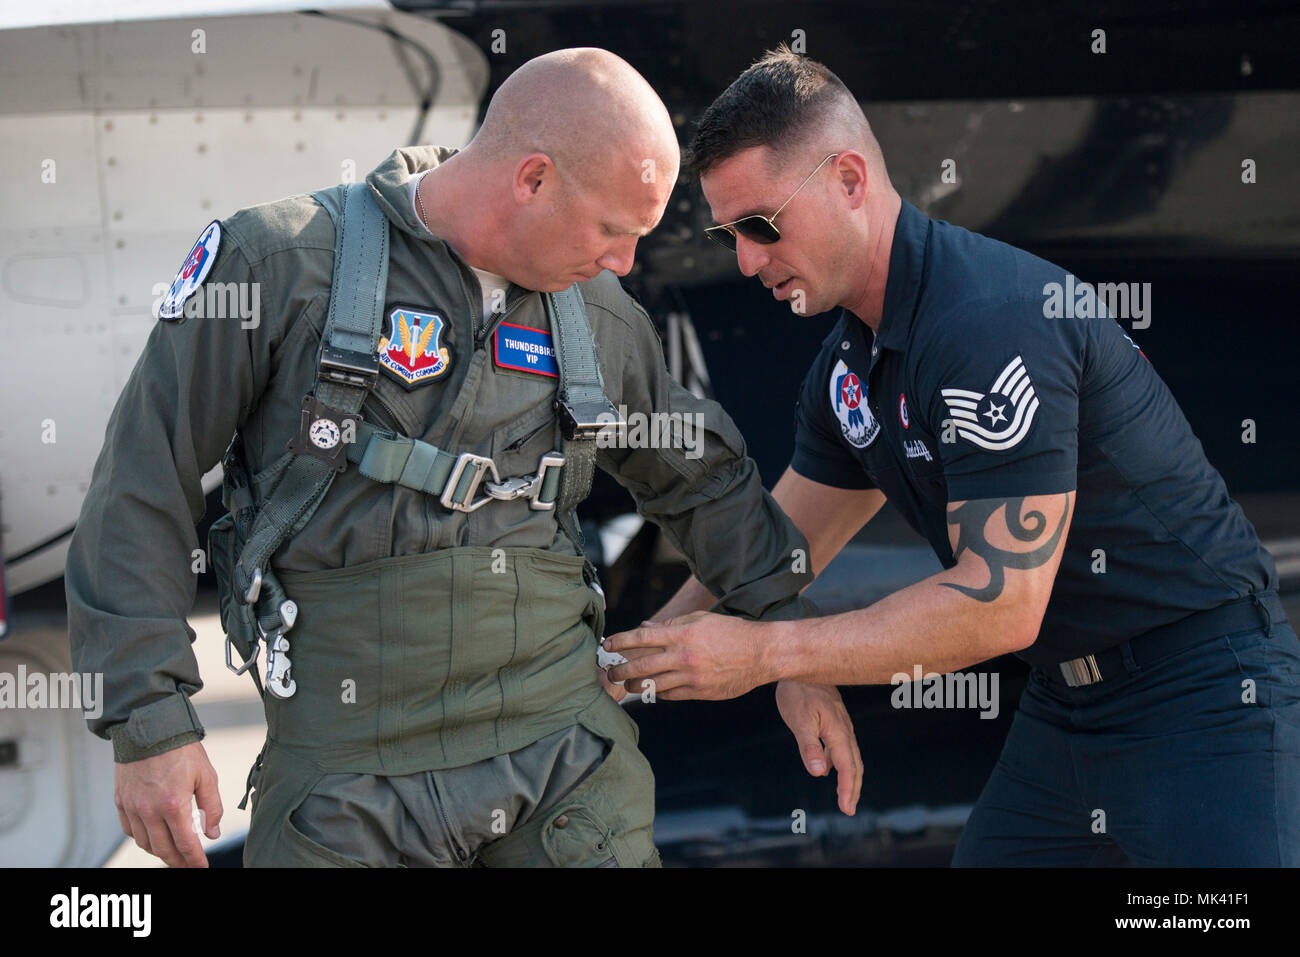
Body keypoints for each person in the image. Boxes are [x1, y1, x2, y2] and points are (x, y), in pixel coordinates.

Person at [65, 47, 848, 868]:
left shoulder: (596, 314)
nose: (624, 262)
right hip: (347, 781)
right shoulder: (279, 265)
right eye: (614, 230)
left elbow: (703, 482)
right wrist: (148, 720)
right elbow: (138, 484)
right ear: (534, 179)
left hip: (562, 763)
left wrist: (790, 642)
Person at [605, 47, 1300, 866]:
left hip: (1202, 693)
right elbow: (772, 552)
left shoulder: (988, 322)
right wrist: (614, 668)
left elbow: (997, 605)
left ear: (851, 181)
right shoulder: (847, 364)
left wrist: (768, 654)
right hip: (1065, 707)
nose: (747, 260)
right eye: (729, 235)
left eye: (761, 225)